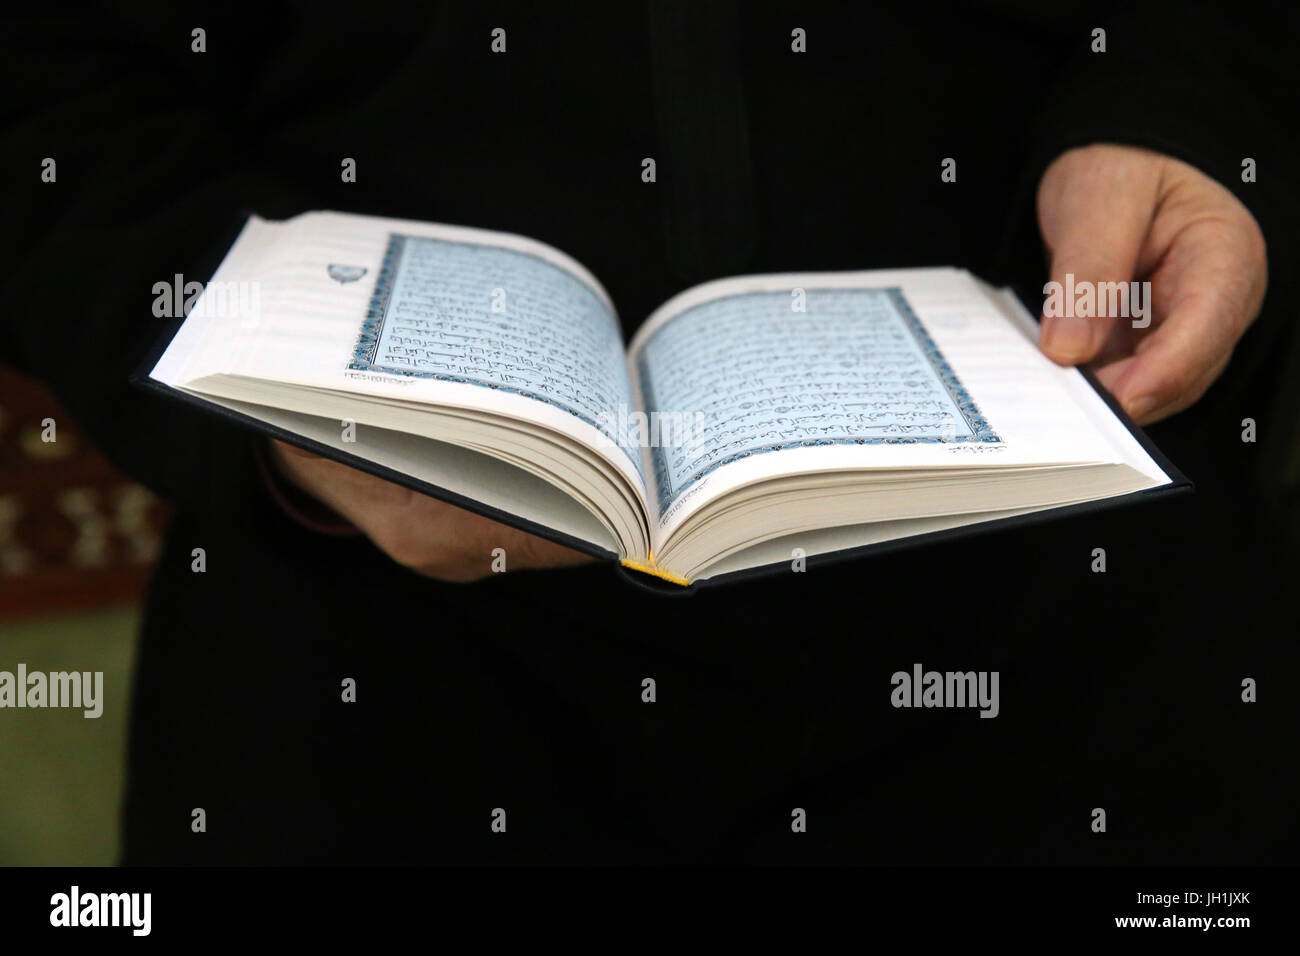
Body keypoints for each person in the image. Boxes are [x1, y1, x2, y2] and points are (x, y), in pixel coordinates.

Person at [3, 1, 1296, 864]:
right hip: (371, 673)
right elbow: (44, 93)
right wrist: (248, 374)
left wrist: (1189, 125)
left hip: (1084, 635)